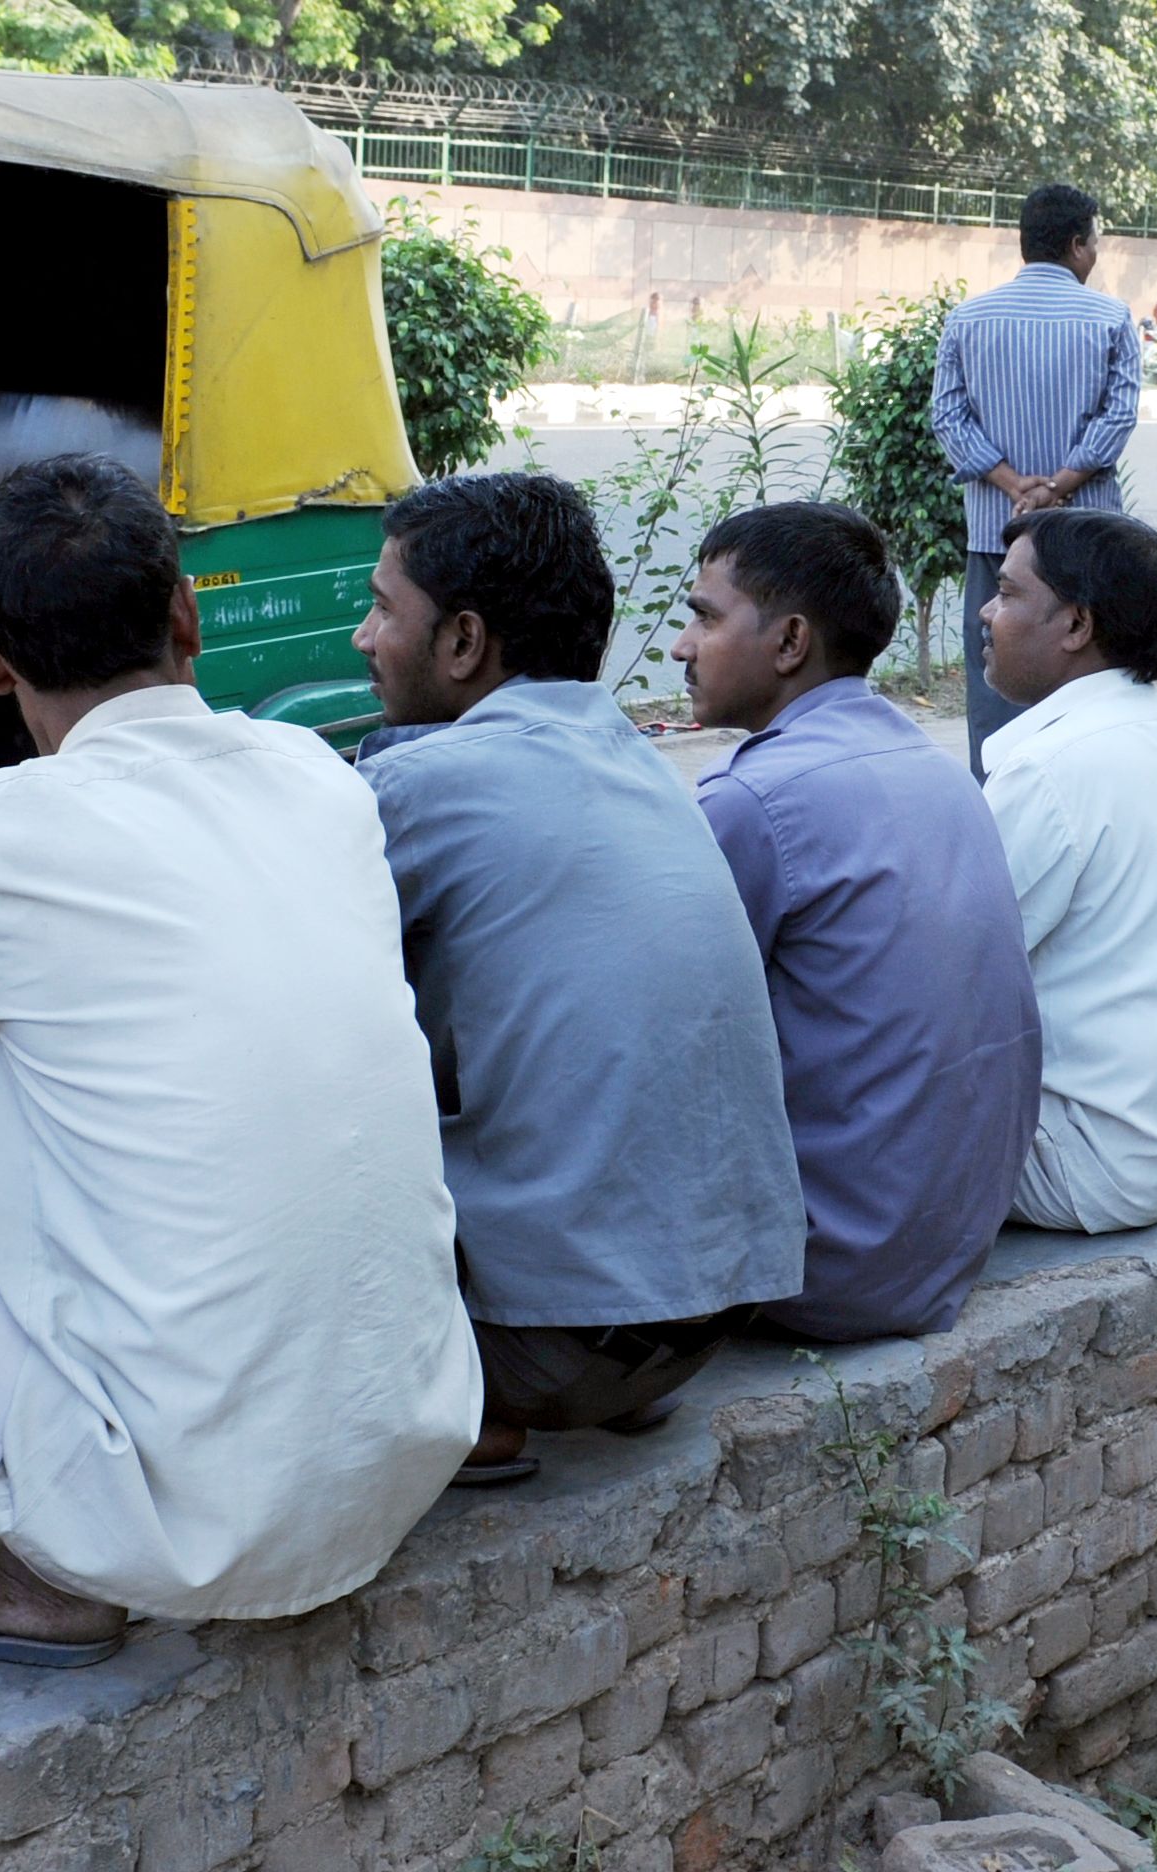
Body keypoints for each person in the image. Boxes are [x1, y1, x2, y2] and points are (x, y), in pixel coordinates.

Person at [0, 454, 477, 1661]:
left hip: (160, 1524)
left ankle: (26, 1564)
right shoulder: (320, 778)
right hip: (402, 1461)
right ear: (185, 617)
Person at [349, 473, 803, 1484]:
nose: (363, 640)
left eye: (382, 609)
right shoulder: (645, 764)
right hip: (705, 1324)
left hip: (550, 1351)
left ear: (463, 643)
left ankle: (457, 1406)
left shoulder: (423, 783)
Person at [675, 502, 1039, 1339]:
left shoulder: (753, 801)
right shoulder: (938, 769)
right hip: (946, 1245)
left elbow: (664, 1041)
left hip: (828, 1265)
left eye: (703, 617)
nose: (680, 647)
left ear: (790, 642)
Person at [974, 506, 1157, 1231]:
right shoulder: (1152, 728)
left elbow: (943, 971)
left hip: (1086, 1156)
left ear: (1076, 625)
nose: (988, 614)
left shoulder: (1055, 765)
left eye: (1007, 593)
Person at [930, 183, 1142, 777]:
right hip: (1091, 532)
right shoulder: (1111, 318)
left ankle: (997, 789)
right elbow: (1118, 415)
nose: (1096, 253)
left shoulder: (968, 320)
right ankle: (1088, 781)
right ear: (1077, 245)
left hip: (997, 531)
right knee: (1092, 663)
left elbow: (948, 417)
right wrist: (1061, 486)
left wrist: (1013, 484)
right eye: (1095, 241)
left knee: (995, 664)